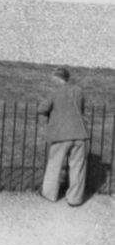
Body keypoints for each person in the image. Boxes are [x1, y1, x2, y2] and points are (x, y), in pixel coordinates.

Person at [38, 67, 88, 206]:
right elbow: (81, 109)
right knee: (78, 167)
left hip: (61, 134)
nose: (52, 80)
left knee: (55, 164)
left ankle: (49, 194)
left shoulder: (54, 92)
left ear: (57, 78)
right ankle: (75, 199)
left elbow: (42, 109)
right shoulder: (79, 91)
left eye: (53, 78)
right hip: (80, 133)